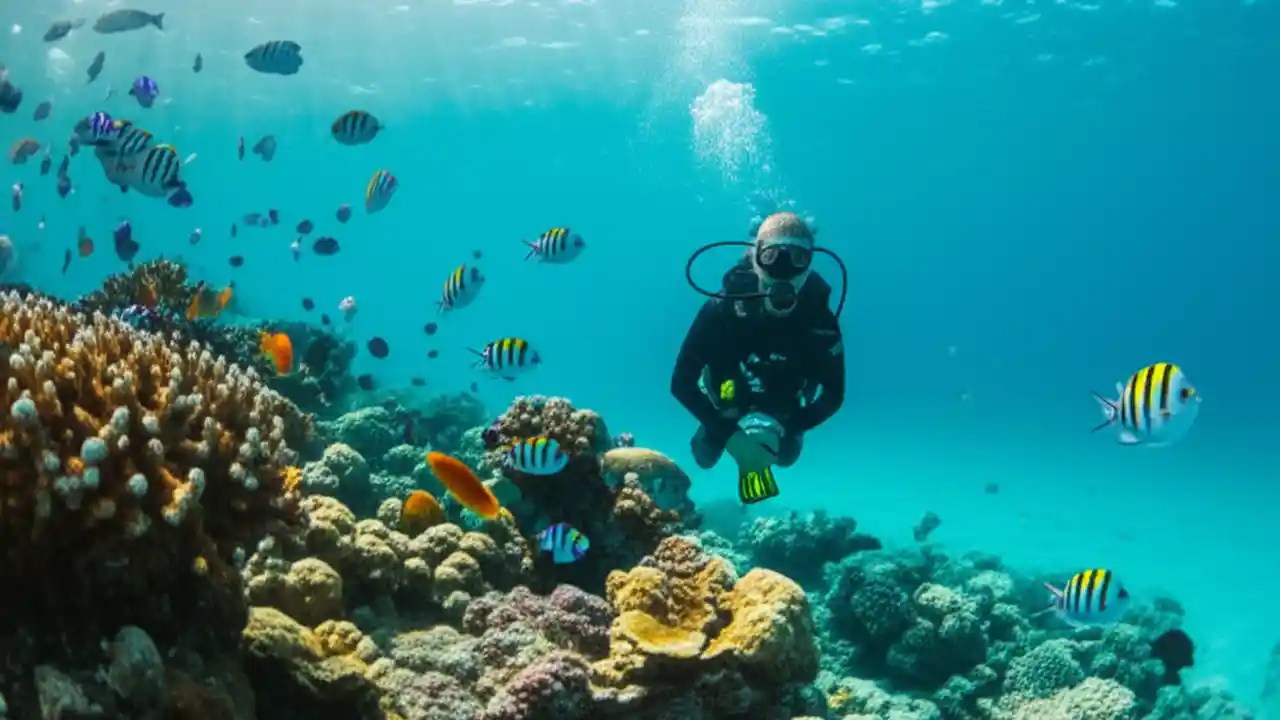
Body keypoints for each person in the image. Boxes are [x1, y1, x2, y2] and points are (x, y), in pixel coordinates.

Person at [671, 211, 846, 502]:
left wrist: (794, 424)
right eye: (772, 256)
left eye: (798, 259)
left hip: (783, 403)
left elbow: (834, 395)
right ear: (755, 257)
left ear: (810, 263)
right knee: (704, 456)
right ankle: (724, 418)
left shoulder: (820, 321)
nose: (784, 269)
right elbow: (681, 383)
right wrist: (730, 434)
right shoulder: (721, 308)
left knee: (786, 457)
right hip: (728, 396)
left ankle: (768, 433)